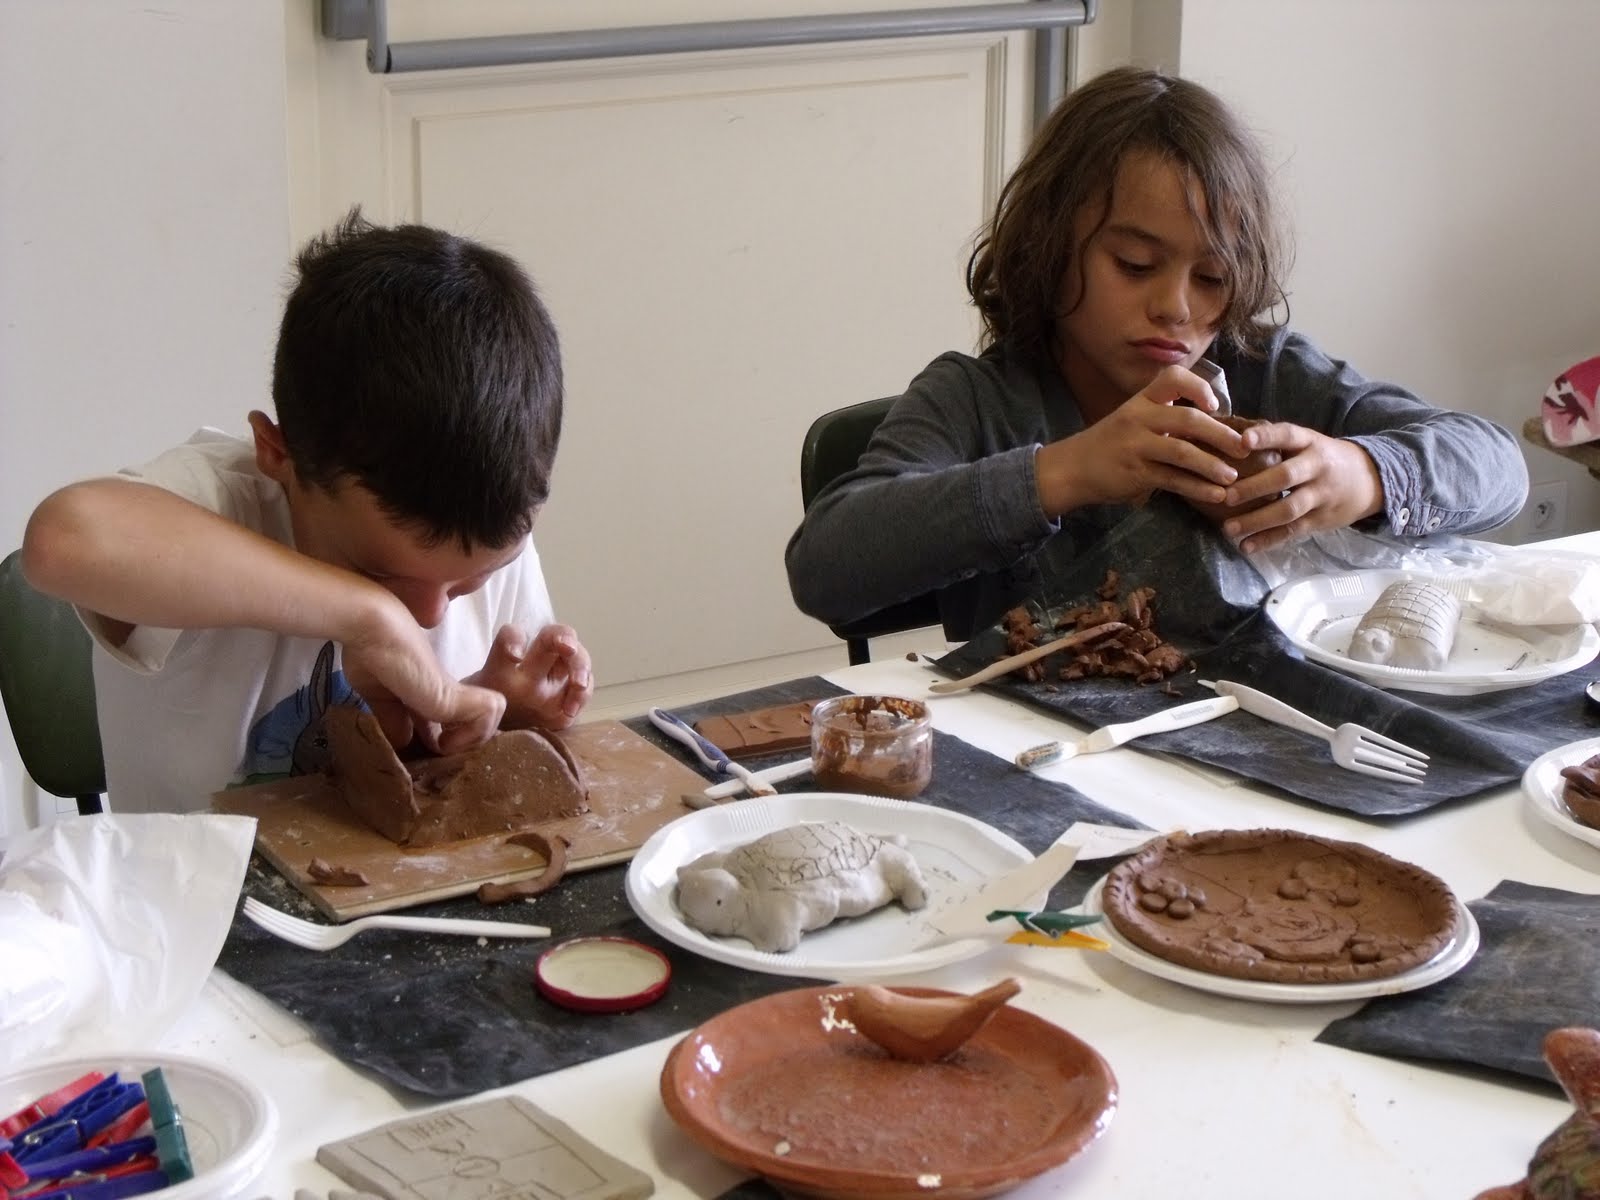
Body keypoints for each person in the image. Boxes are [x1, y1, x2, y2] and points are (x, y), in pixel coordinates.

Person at [785, 67, 1528, 640]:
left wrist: (1363, 474)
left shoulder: (1266, 371)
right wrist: (1067, 471)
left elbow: (1499, 468)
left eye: (1212, 277)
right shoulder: (977, 401)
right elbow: (826, 567)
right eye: (1136, 264)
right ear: (1048, 249)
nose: (1177, 306)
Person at [22, 209, 593, 813]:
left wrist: (498, 710)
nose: (426, 615)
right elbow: (63, 540)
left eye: (470, 582)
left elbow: (428, 788)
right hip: (198, 900)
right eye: (380, 574)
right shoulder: (218, 503)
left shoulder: (483, 519)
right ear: (278, 453)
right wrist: (369, 617)